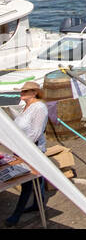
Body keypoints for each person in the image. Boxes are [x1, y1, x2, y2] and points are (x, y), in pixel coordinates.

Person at [2, 81, 49, 226]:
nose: (21, 93)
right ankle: (38, 204)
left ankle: (16, 214)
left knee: (27, 182)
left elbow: (36, 132)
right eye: (22, 91)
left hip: (31, 149)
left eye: (25, 91)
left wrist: (23, 149)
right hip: (21, 148)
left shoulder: (39, 107)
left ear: (34, 92)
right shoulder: (25, 106)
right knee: (37, 178)